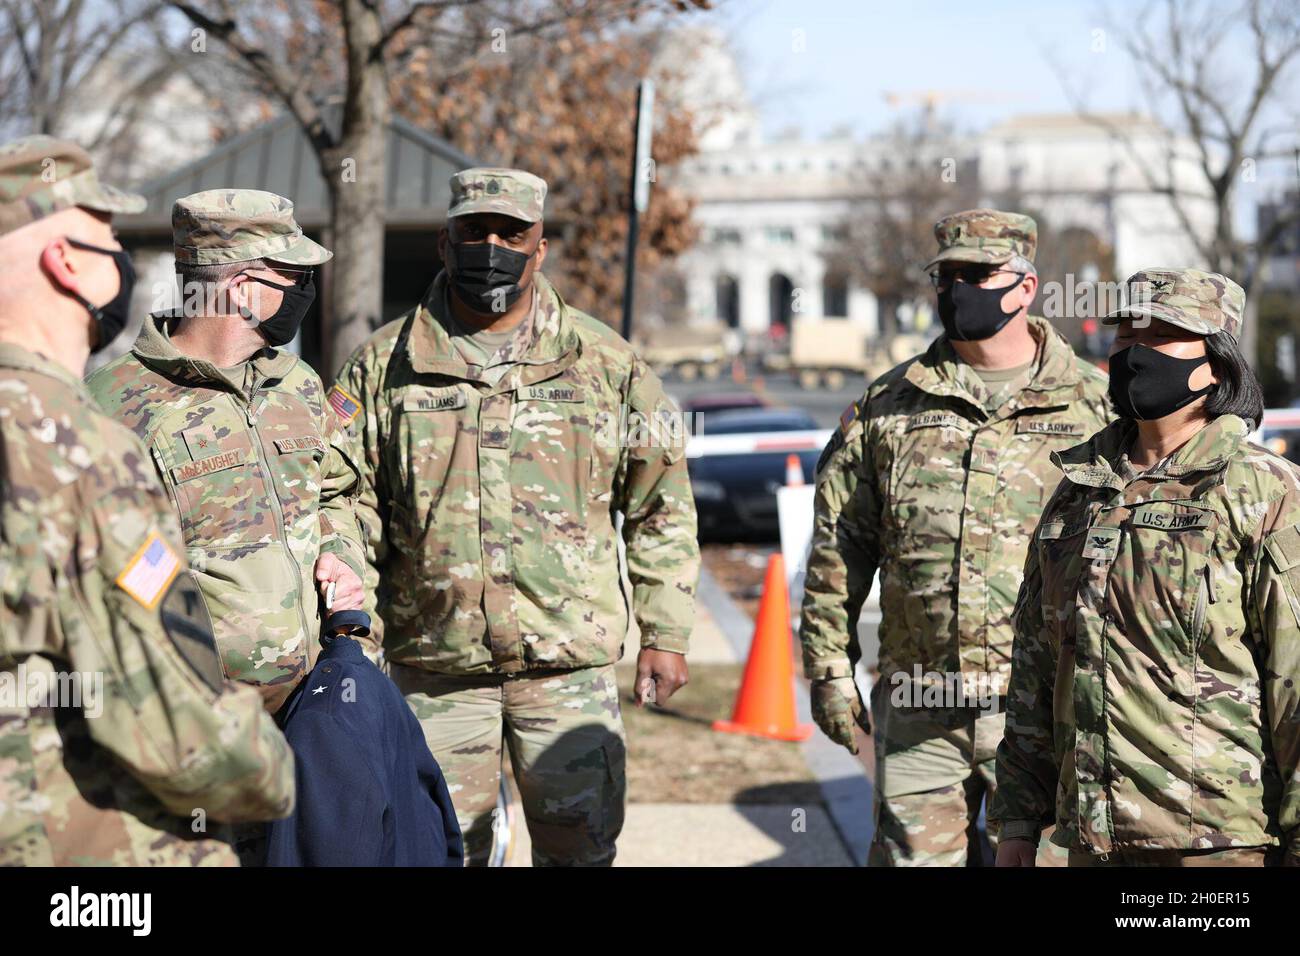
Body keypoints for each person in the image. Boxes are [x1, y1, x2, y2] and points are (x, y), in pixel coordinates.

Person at [333, 167, 700, 866]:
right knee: (434, 851)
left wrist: (667, 631)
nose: (492, 247)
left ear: (541, 247)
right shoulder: (382, 366)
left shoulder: (605, 363)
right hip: (435, 670)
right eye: (475, 232)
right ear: (445, 243)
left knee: (579, 853)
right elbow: (346, 505)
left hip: (568, 670)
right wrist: (355, 633)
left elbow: (661, 505)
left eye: (511, 233)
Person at [0, 135, 294, 866]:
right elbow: (175, 721)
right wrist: (275, 771)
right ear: (66, 262)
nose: (124, 262)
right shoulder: (79, 449)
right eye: (110, 240)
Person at [800, 208, 1111, 866]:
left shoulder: (1098, 407)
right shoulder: (889, 405)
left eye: (977, 274)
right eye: (946, 277)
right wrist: (829, 671)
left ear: (1026, 287)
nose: (957, 290)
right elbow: (838, 547)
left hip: (1044, 711)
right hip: (921, 703)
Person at [993, 268, 1300, 867]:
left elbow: (1293, 681)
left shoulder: (1265, 491)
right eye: (1126, 334)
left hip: (1215, 848)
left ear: (1217, 362)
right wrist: (1018, 823)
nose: (1136, 352)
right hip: (1090, 842)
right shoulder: (1078, 492)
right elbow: (1036, 668)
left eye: (1162, 335)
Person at [87, 189, 368, 716]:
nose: (305, 289)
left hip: (316, 700)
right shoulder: (111, 405)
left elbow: (334, 495)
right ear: (243, 289)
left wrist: (341, 555)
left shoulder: (298, 383)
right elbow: (104, 567)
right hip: (198, 718)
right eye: (293, 275)